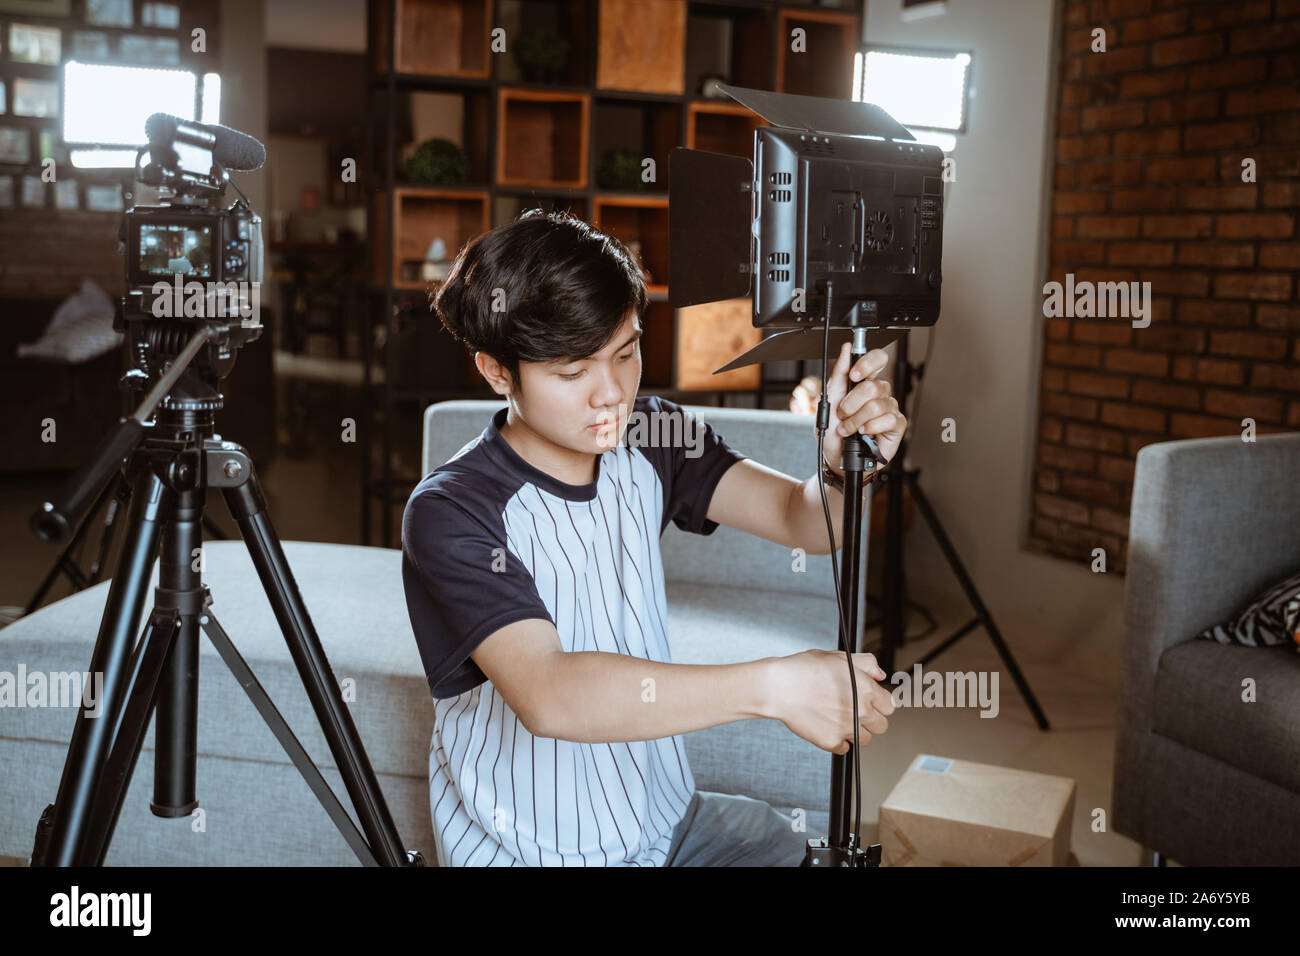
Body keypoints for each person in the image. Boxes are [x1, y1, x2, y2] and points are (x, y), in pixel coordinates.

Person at [401, 209, 906, 867]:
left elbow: (800, 520)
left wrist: (843, 462)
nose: (611, 393)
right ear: (498, 372)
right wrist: (776, 686)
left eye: (626, 352)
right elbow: (550, 695)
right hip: (534, 850)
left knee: (797, 850)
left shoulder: (651, 432)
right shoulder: (451, 511)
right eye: (573, 371)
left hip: (666, 820)